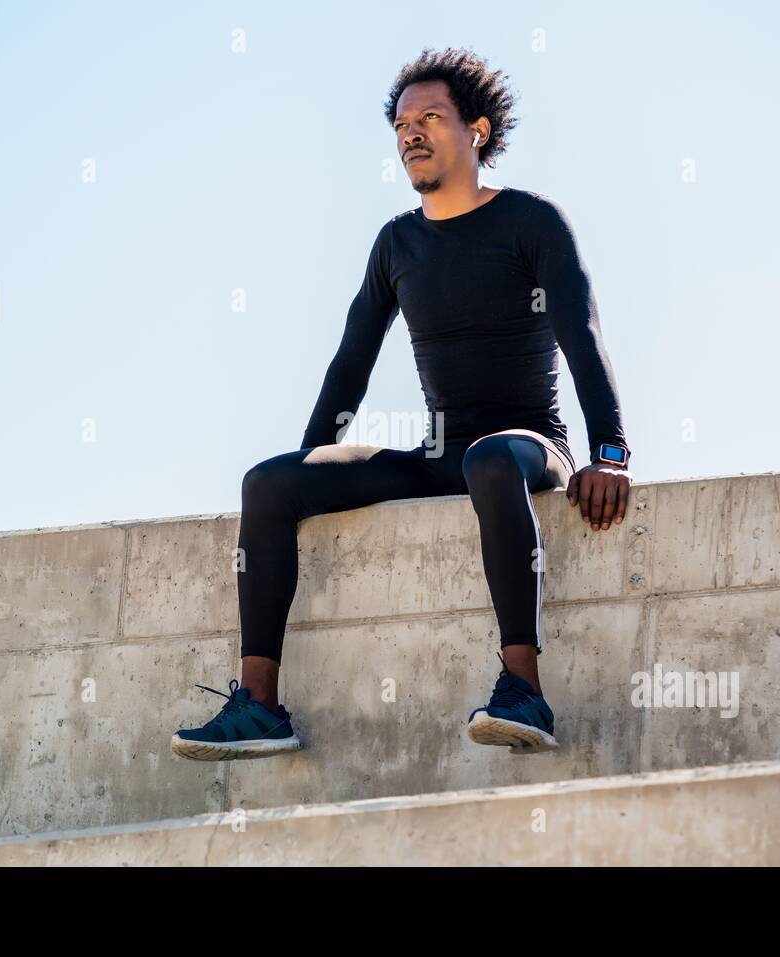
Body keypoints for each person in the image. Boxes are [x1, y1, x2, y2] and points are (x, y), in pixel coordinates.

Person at [172, 47, 631, 762]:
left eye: (430, 118)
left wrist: (609, 453)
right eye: (402, 124)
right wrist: (310, 460)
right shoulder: (397, 243)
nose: (410, 133)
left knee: (488, 459)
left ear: (476, 130)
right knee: (267, 482)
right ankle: (259, 705)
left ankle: (524, 690)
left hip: (527, 445)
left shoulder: (532, 222)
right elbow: (350, 363)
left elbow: (583, 333)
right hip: (440, 455)